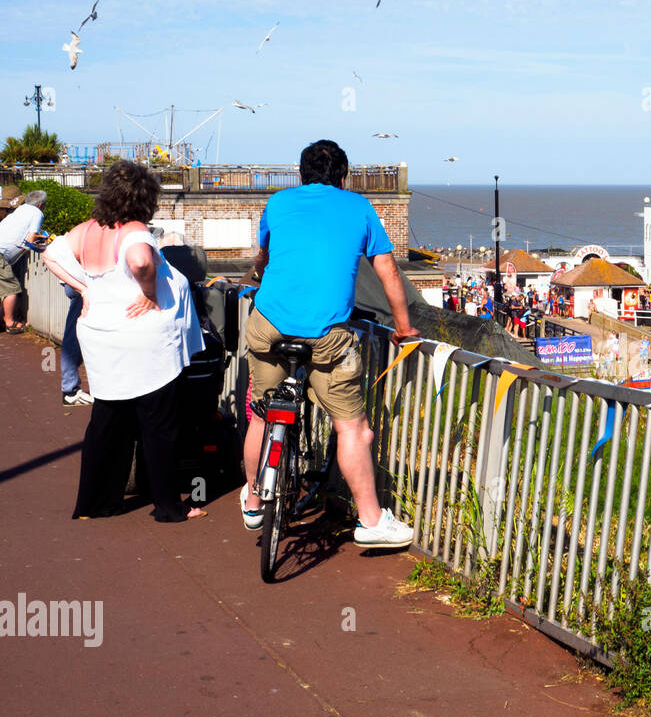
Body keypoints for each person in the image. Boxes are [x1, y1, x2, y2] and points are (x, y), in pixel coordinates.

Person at [241, 140, 417, 548]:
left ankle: (253, 501)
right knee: (352, 427)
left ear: (301, 176)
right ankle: (372, 522)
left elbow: (263, 258)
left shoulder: (278, 203)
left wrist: (259, 274)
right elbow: (388, 272)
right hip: (326, 337)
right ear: (343, 177)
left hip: (267, 325)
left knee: (261, 415)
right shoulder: (359, 207)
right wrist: (404, 328)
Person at [41, 162, 207, 522]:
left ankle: (96, 503)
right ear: (143, 197)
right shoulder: (133, 229)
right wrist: (148, 291)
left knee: (107, 421)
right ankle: (167, 507)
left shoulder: (89, 229)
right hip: (144, 340)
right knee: (159, 425)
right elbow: (140, 260)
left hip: (101, 335)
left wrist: (85, 287)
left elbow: (50, 253)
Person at [1, 189, 48, 333]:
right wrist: (44, 244)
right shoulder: (36, 213)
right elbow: (30, 239)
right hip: (1, 253)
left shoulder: (19, 210)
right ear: (41, 205)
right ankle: (10, 323)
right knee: (11, 288)